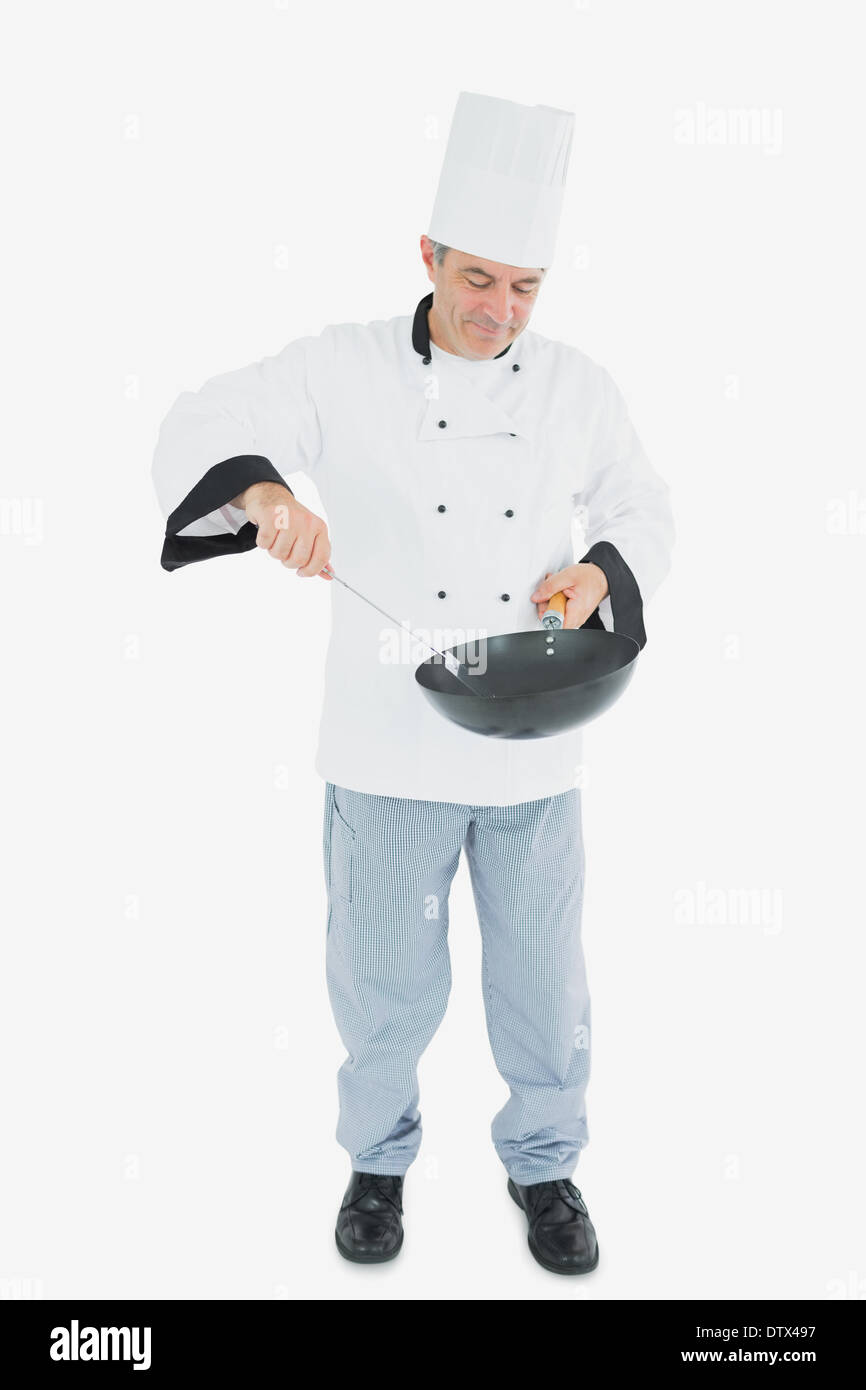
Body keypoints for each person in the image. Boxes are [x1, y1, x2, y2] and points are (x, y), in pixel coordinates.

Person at [151, 91, 675, 1275]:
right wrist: (268, 497)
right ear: (428, 254)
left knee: (545, 985)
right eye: (478, 277)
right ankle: (376, 1164)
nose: (498, 311)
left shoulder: (577, 387)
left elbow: (644, 505)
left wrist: (598, 569)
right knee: (381, 979)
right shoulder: (338, 367)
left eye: (524, 287)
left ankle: (543, 1166)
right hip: (386, 742)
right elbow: (201, 419)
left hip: (534, 748)